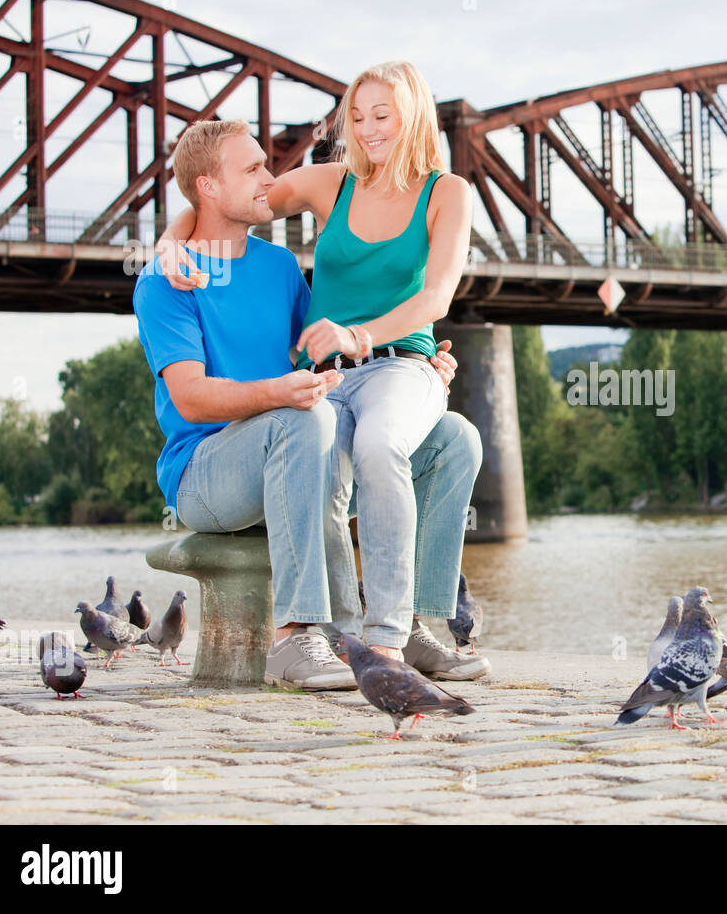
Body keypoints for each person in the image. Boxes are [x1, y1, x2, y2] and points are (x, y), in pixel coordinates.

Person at [156, 62, 487, 679]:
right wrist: (169, 241)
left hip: (391, 365)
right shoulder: (330, 184)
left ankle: (399, 630)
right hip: (316, 386)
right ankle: (347, 636)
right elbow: (224, 199)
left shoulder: (443, 194)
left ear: (412, 115)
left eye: (381, 116)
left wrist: (385, 347)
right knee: (318, 444)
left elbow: (436, 297)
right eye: (355, 117)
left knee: (445, 441)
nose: (365, 130)